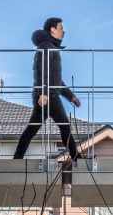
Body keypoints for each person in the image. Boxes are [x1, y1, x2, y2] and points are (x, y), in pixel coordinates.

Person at [12, 17, 83, 161]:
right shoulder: (46, 46)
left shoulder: (51, 47)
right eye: (61, 28)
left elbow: (56, 81)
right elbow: (41, 70)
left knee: (32, 129)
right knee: (64, 125)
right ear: (53, 30)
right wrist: (43, 94)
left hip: (46, 94)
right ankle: (76, 157)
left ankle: (17, 158)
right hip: (48, 96)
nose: (64, 31)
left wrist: (71, 96)